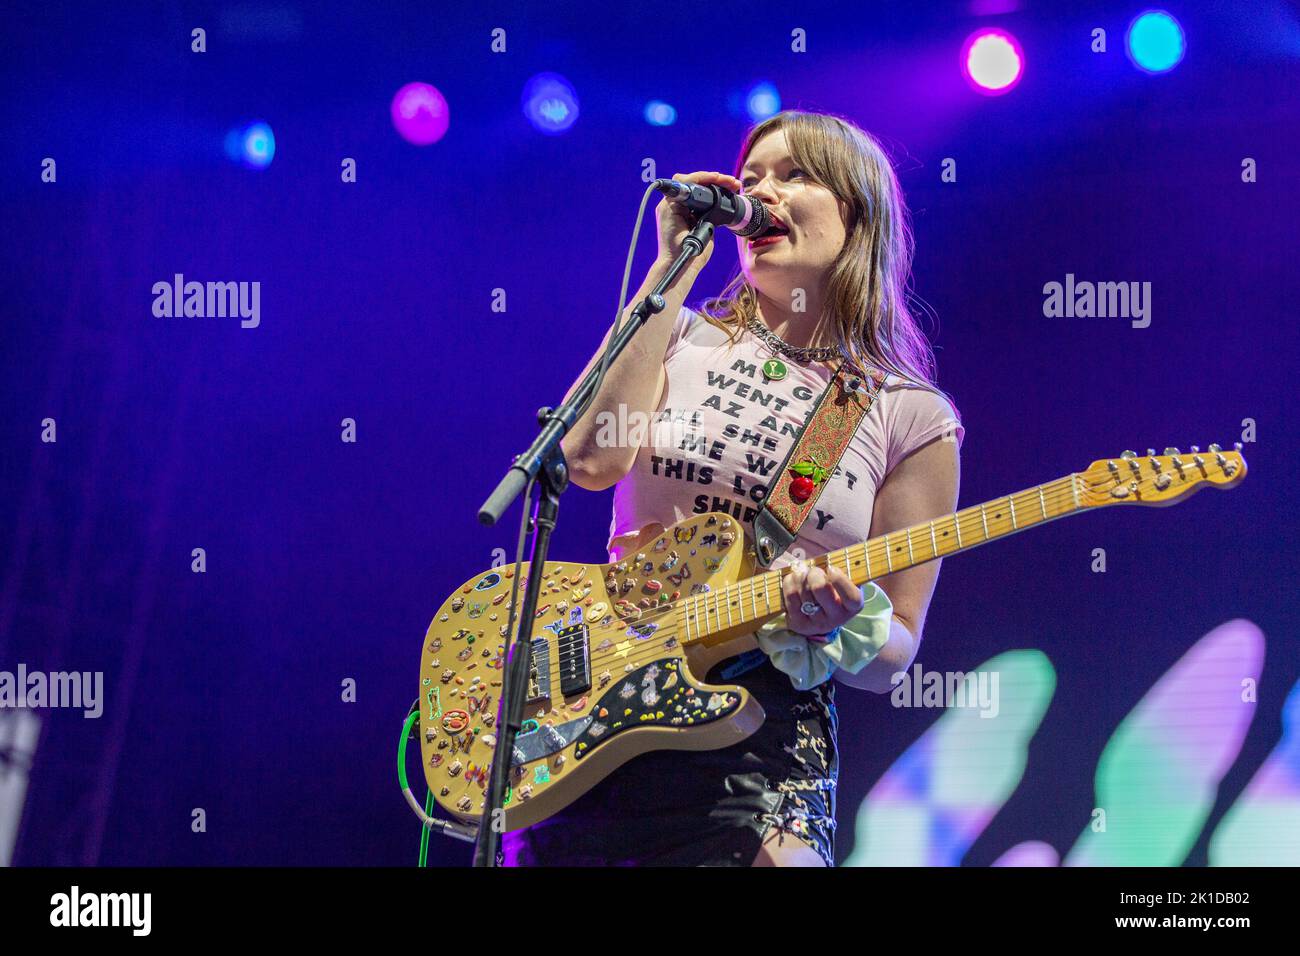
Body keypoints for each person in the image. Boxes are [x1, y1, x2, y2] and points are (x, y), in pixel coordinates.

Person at [503, 110, 963, 867]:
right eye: (750, 181)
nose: (761, 194)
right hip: (594, 719)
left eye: (794, 176)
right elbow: (586, 461)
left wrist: (833, 624)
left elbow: (897, 655)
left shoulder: (906, 414)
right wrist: (671, 265)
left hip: (762, 743)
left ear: (858, 212)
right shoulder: (677, 334)